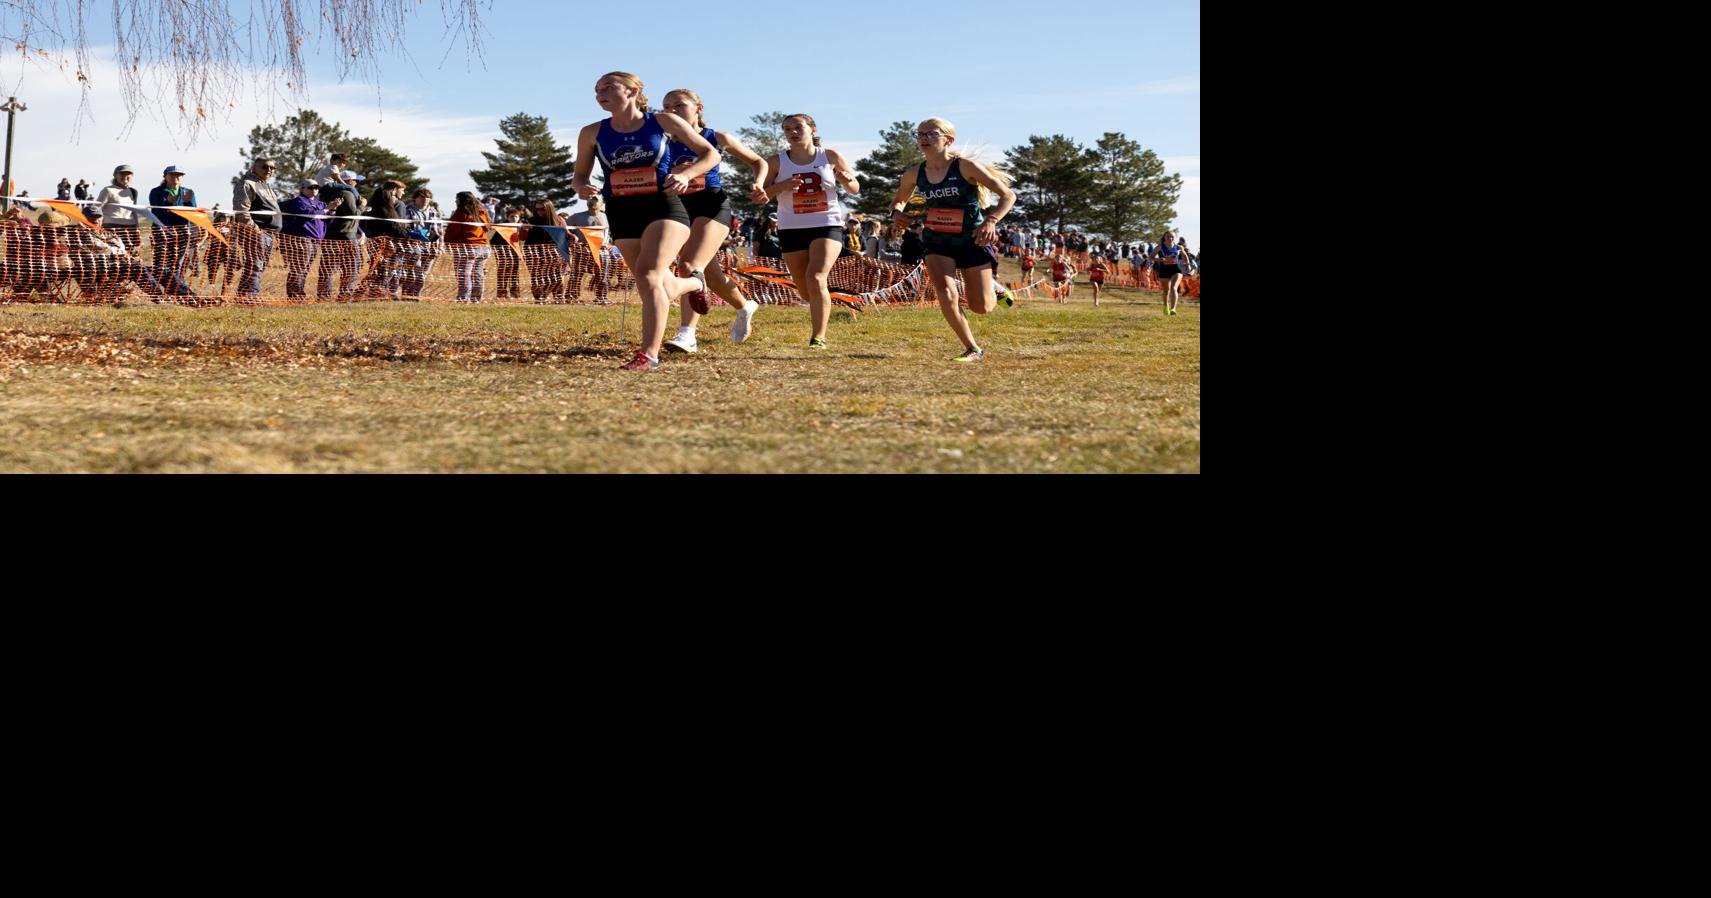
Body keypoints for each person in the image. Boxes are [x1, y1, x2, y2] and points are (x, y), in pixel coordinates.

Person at [573, 71, 721, 370]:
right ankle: (694, 283)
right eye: (597, 89)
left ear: (632, 90)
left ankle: (649, 355)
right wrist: (580, 186)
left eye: (609, 87)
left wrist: (685, 174)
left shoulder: (662, 121)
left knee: (649, 273)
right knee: (654, 283)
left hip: (663, 206)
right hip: (621, 210)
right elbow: (579, 175)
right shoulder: (591, 132)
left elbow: (711, 155)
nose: (600, 93)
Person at [889, 117, 1017, 361]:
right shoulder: (914, 174)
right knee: (946, 292)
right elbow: (899, 200)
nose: (924, 138)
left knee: (981, 307)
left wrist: (991, 221)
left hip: (972, 239)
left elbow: (1008, 195)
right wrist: (897, 214)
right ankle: (973, 348)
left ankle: (993, 288)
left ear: (948, 140)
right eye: (920, 134)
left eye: (931, 134)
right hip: (937, 240)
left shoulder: (965, 167)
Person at [658, 88, 769, 353]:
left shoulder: (716, 137)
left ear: (699, 107)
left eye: (679, 105)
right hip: (679, 209)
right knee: (712, 277)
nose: (671, 110)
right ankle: (744, 306)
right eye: (666, 106)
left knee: (688, 266)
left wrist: (758, 183)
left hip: (712, 205)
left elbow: (758, 161)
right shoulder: (660, 141)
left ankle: (687, 335)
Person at [759, 112, 858, 350]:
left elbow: (854, 188)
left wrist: (846, 180)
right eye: (787, 129)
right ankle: (821, 301)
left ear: (812, 129)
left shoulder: (830, 155)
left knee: (816, 278)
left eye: (798, 128)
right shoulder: (776, 161)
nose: (792, 133)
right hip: (791, 227)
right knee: (805, 291)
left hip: (827, 223)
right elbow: (760, 195)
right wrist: (781, 186)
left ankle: (818, 337)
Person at [231, 157, 283, 296]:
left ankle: (243, 296)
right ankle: (249, 297)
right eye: (265, 167)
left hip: (269, 234)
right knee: (255, 266)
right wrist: (254, 229)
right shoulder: (247, 183)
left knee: (259, 267)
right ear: (254, 168)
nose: (269, 170)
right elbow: (241, 210)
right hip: (255, 233)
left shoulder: (265, 185)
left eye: (272, 168)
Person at [146, 165, 200, 296]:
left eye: (178, 175)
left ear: (182, 178)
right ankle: (156, 292)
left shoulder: (187, 192)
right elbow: (157, 212)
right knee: (161, 263)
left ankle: (174, 291)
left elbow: (192, 213)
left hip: (182, 232)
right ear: (165, 176)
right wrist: (170, 204)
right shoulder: (156, 192)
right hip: (162, 232)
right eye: (172, 175)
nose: (175, 177)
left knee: (178, 263)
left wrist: (186, 205)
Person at [317, 170, 365, 298]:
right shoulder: (347, 193)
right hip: (346, 235)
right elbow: (352, 215)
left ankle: (323, 296)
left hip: (330, 235)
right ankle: (345, 295)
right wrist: (362, 206)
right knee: (350, 268)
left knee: (327, 269)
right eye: (356, 181)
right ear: (349, 181)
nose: (357, 184)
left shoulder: (329, 194)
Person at [360, 179, 410, 298]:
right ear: (393, 190)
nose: (403, 194)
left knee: (379, 268)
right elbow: (396, 225)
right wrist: (407, 234)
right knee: (389, 269)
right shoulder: (397, 205)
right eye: (401, 191)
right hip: (389, 242)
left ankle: (376, 292)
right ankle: (381, 293)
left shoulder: (373, 202)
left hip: (374, 240)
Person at [279, 179, 328, 298]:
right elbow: (308, 213)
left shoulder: (320, 203)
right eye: (310, 187)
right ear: (302, 189)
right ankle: (294, 294)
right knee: (298, 267)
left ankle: (299, 292)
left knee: (306, 268)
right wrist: (327, 210)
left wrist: (332, 209)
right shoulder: (298, 201)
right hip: (303, 238)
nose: (314, 190)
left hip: (316, 240)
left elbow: (328, 215)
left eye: (316, 187)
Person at [444, 191, 492, 302]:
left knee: (464, 275)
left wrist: (448, 242)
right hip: (484, 247)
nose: (456, 201)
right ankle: (476, 299)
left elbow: (451, 231)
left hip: (467, 247)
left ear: (462, 200)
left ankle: (463, 299)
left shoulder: (461, 213)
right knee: (478, 275)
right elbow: (488, 228)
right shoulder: (482, 212)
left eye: (457, 199)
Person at [401, 187, 443, 299]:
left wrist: (439, 247)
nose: (425, 199)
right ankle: (407, 295)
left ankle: (416, 296)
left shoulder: (434, 212)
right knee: (414, 272)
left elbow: (440, 232)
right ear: (415, 198)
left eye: (428, 197)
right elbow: (405, 228)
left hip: (430, 247)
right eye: (422, 197)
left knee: (423, 274)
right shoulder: (407, 210)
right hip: (413, 246)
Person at [522, 198, 568, 301]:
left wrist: (572, 236)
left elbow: (566, 234)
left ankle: (558, 298)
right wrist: (523, 229)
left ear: (549, 208)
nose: (539, 211)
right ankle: (539, 299)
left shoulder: (559, 220)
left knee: (556, 277)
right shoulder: (530, 220)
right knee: (537, 277)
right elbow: (522, 237)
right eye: (537, 209)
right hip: (534, 253)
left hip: (554, 253)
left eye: (542, 209)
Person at [95, 164, 144, 252]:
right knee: (115, 256)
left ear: (132, 176)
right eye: (122, 174)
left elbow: (134, 212)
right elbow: (96, 209)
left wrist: (137, 231)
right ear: (114, 175)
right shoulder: (107, 190)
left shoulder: (133, 192)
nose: (125, 176)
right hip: (112, 229)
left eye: (128, 174)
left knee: (128, 257)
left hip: (130, 230)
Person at [1150, 231, 1186, 316]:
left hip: (1176, 269)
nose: (1170, 238)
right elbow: (1150, 258)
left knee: (1174, 287)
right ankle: (1166, 306)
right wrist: (1160, 260)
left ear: (1175, 237)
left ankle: (1173, 308)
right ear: (1164, 237)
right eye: (1168, 237)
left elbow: (1185, 255)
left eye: (1172, 237)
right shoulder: (1159, 247)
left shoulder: (1179, 247)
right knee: (1166, 291)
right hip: (1164, 269)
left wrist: (1187, 263)